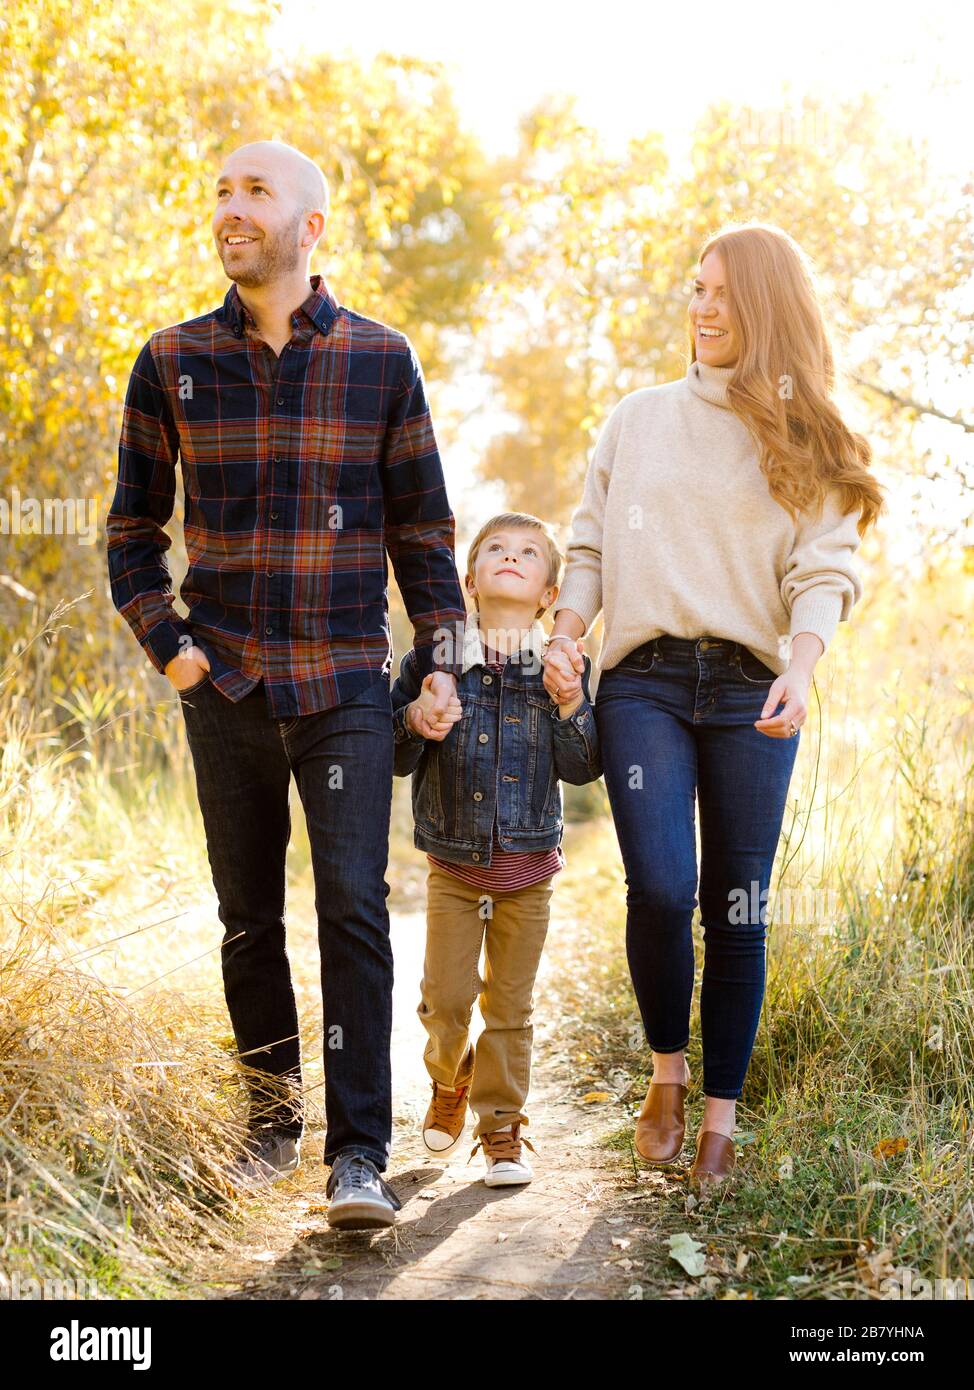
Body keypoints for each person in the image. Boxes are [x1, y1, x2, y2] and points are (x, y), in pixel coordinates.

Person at [105, 139, 468, 1230]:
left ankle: (357, 1155)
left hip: (348, 682)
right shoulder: (171, 361)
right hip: (225, 688)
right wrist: (171, 646)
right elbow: (130, 529)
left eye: (255, 191)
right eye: (220, 189)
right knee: (245, 919)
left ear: (311, 227)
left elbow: (424, 531)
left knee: (352, 908)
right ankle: (269, 1124)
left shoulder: (380, 358)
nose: (230, 207)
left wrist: (440, 661)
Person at [542, 222, 885, 1196]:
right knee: (659, 885)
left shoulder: (806, 432)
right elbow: (590, 542)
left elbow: (825, 566)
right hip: (642, 678)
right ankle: (664, 1074)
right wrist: (568, 630)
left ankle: (721, 1123)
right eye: (694, 288)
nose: (699, 308)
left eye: (722, 294)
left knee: (739, 905)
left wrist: (802, 666)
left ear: (764, 309)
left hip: (749, 687)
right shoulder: (637, 417)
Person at [390, 513, 602, 1185]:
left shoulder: (561, 666)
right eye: (496, 551)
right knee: (446, 1002)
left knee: (509, 1008)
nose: (511, 557)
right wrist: (416, 719)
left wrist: (570, 705)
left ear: (548, 596)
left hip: (528, 871)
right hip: (453, 868)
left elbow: (584, 766)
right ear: (470, 581)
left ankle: (501, 1125)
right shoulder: (436, 660)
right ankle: (451, 1077)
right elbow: (393, 754)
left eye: (529, 554)